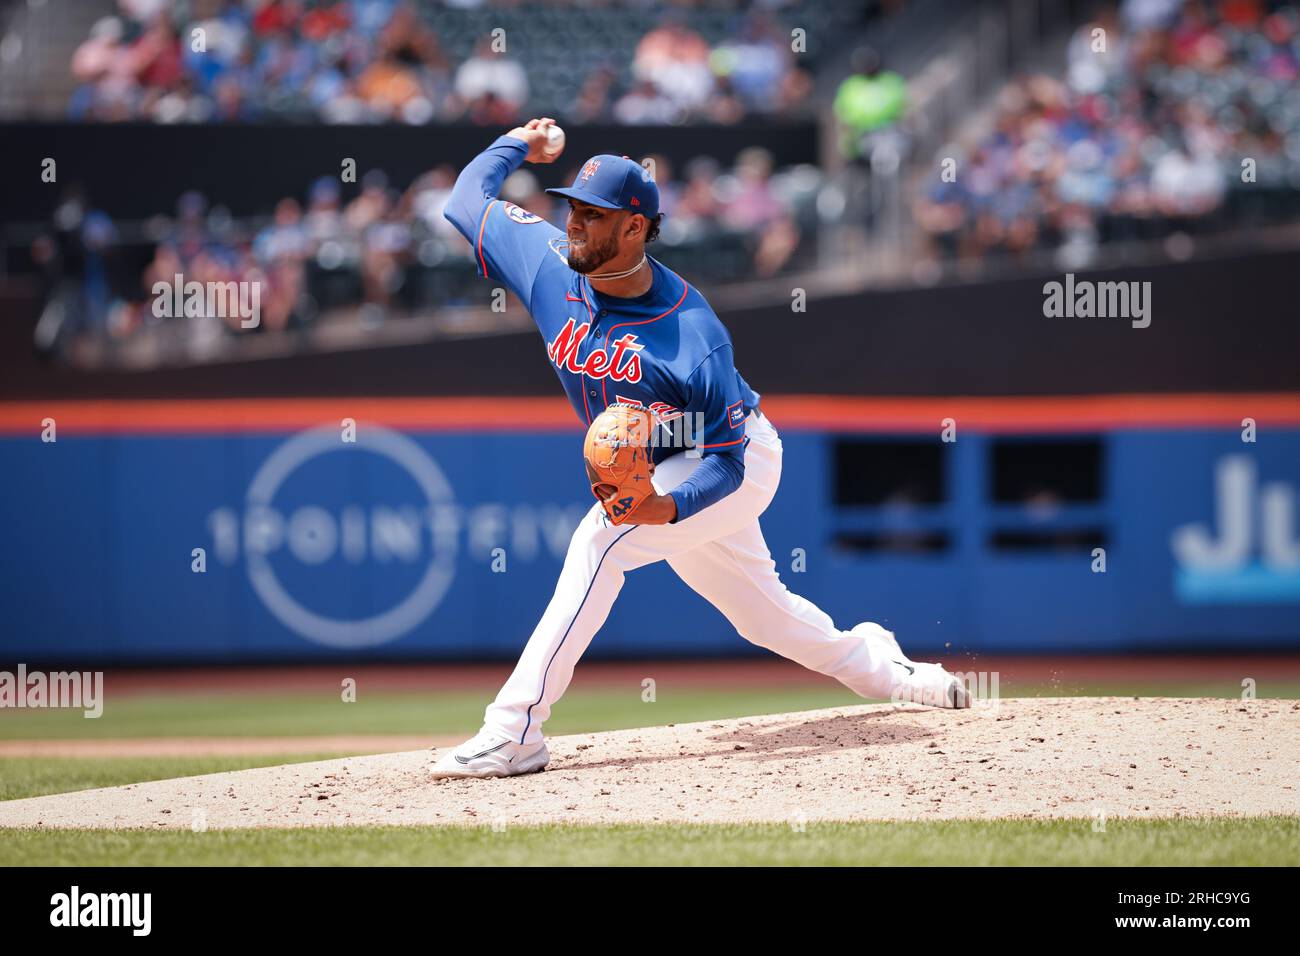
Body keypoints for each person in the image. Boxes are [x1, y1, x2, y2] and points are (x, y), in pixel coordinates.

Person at [434, 119, 969, 779]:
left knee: (599, 544)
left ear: (634, 228)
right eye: (571, 206)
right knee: (765, 619)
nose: (573, 222)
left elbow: (728, 458)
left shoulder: (691, 331)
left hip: (730, 460)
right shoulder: (544, 258)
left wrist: (670, 508)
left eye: (592, 214)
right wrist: (519, 142)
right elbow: (464, 200)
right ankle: (885, 665)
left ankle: (515, 731)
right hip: (659, 467)